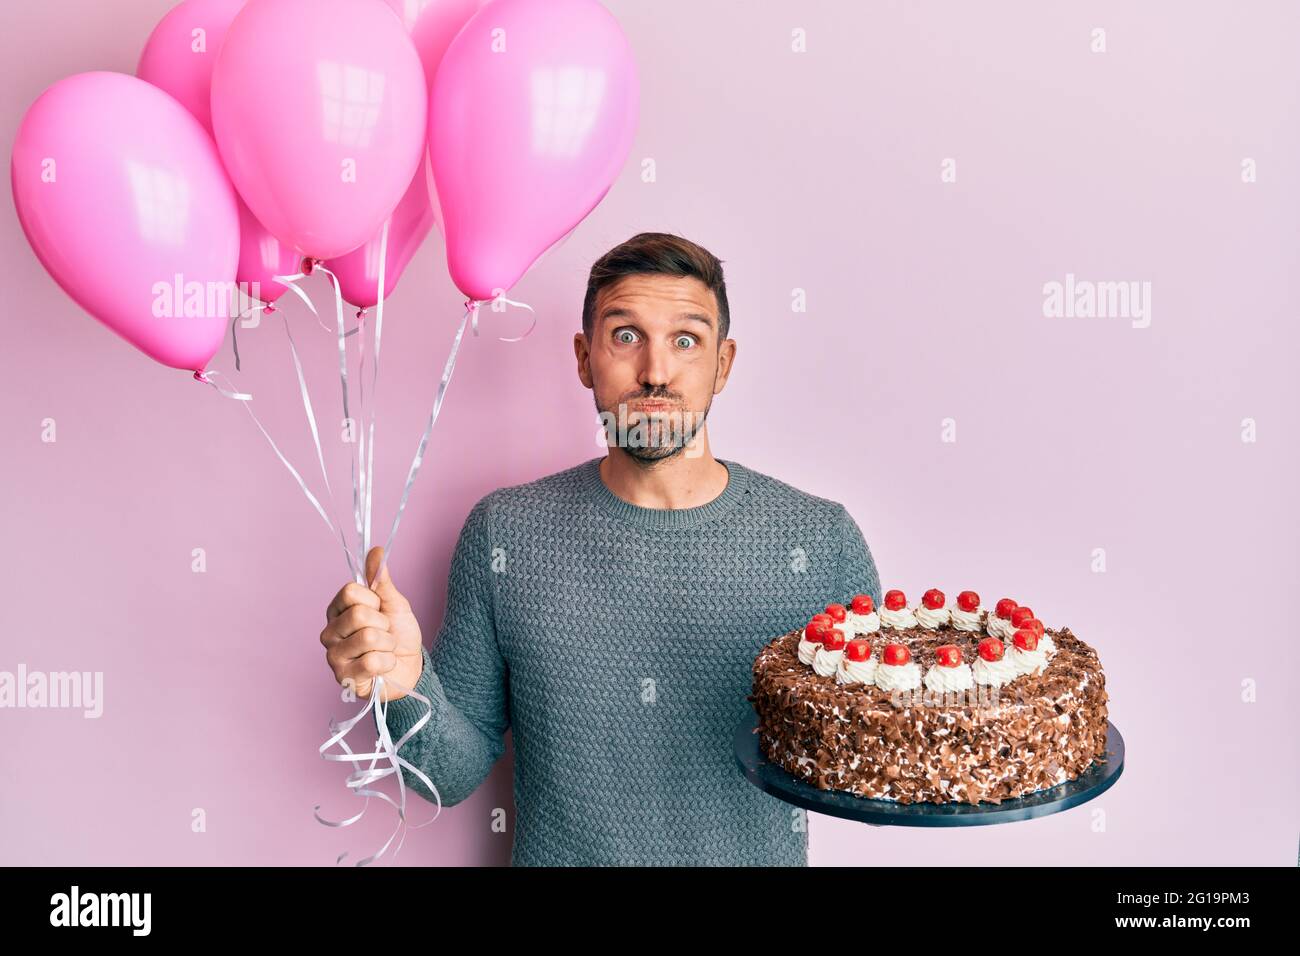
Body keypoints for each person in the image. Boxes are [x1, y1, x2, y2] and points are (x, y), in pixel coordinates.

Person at [320, 232, 881, 865]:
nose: (656, 372)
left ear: (722, 364)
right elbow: (451, 776)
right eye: (625, 336)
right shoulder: (505, 534)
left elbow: (871, 757)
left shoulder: (818, 540)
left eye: (686, 340)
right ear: (585, 358)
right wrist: (402, 685)